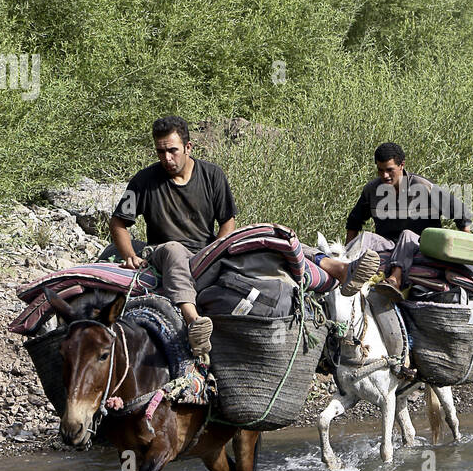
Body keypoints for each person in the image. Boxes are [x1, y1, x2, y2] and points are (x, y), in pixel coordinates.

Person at [111, 116, 378, 358]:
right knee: (172, 249)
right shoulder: (143, 181)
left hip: (208, 251)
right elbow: (119, 223)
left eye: (172, 150)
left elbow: (227, 220)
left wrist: (220, 247)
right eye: (161, 151)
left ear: (188, 147)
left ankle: (338, 268)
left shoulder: (212, 175)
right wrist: (130, 256)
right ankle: (194, 322)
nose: (166, 158)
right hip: (166, 254)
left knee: (268, 234)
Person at [345, 142, 473, 301]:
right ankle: (343, 272)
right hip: (390, 245)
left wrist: (466, 252)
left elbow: (461, 213)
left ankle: (395, 280)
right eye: (380, 170)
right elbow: (354, 222)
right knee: (366, 237)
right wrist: (347, 250)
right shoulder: (372, 190)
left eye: (389, 170)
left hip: (421, 245)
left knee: (407, 235)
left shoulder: (423, 187)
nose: (384, 175)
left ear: (401, 165)